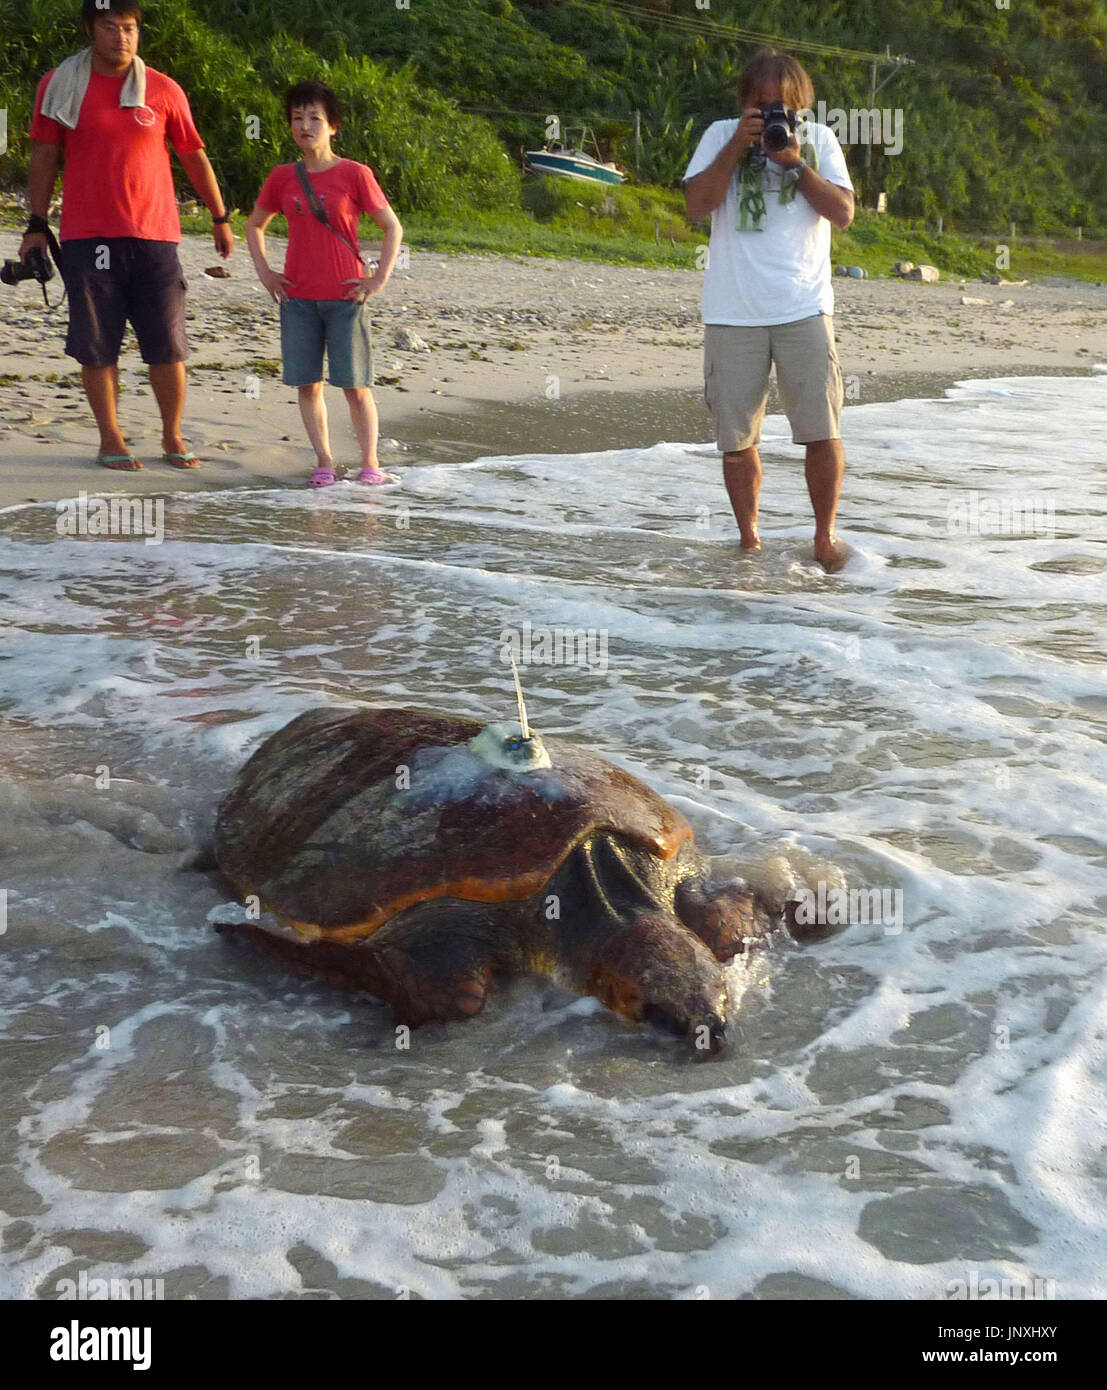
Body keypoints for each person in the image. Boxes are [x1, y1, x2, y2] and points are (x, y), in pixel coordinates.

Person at [20, 0, 233, 471]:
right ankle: (110, 437)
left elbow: (193, 154)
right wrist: (36, 224)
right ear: (90, 29)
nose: (122, 37)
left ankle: (173, 435)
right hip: (88, 237)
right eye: (111, 27)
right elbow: (44, 154)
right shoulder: (60, 86)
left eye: (130, 28)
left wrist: (220, 215)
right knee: (97, 342)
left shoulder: (162, 88)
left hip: (155, 235)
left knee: (168, 342)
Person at [683, 49, 855, 571]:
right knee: (737, 439)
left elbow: (844, 213)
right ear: (745, 104)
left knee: (822, 429)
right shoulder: (719, 136)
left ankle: (824, 537)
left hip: (803, 306)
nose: (775, 116)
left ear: (801, 106)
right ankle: (749, 539)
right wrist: (738, 144)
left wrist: (795, 164)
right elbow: (696, 206)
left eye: (785, 106)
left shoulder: (819, 141)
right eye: (763, 106)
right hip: (734, 310)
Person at [246, 81, 404, 487]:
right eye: (297, 118)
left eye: (315, 117)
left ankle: (370, 464)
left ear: (332, 125)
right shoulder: (283, 177)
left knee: (355, 385)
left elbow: (391, 227)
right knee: (307, 384)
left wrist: (378, 278)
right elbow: (255, 224)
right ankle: (324, 462)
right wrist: (265, 272)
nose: (305, 125)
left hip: (346, 296)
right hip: (297, 298)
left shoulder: (354, 173)